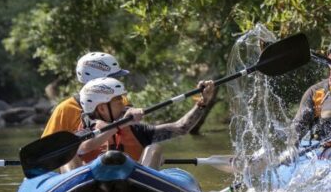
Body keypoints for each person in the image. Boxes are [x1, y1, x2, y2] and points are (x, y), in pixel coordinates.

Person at [76, 77, 216, 168]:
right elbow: (83, 148)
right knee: (70, 158)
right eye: (118, 99)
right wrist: (122, 124)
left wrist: (203, 103)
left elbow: (181, 128)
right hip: (94, 189)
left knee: (154, 148)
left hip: (133, 187)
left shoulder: (137, 130)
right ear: (101, 108)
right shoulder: (85, 130)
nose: (123, 102)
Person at [41, 52, 132, 138]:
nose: (117, 82)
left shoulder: (122, 101)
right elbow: (47, 148)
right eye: (112, 78)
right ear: (96, 81)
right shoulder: (65, 110)